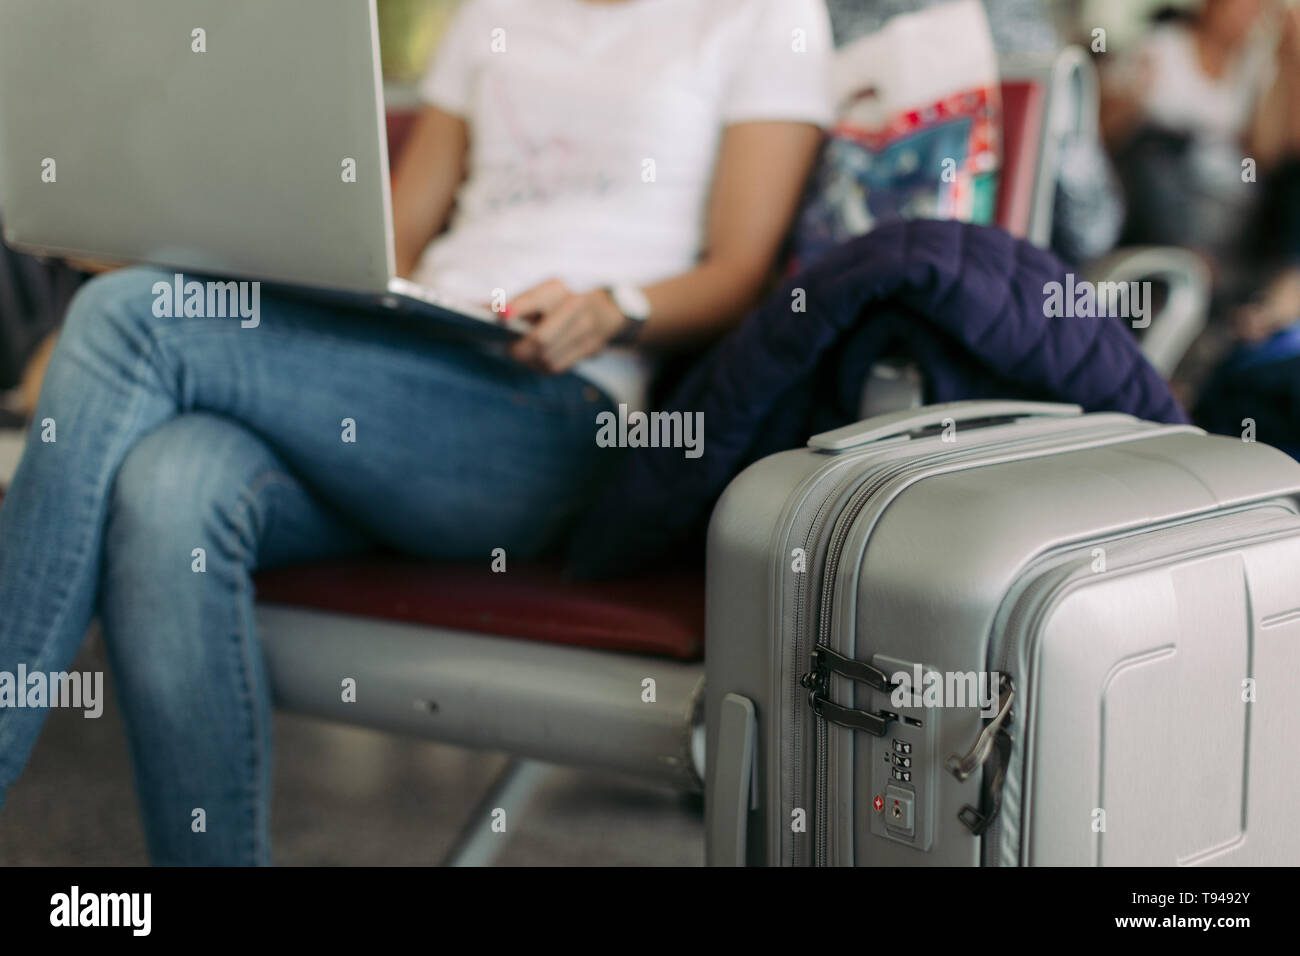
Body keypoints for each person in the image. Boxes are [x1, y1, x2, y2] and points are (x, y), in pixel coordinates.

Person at [0, 0, 832, 864]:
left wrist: (618, 308)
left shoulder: (764, 16)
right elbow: (388, 240)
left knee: (128, 314)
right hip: (407, 363)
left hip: (553, 402)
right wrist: (227, 243)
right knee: (168, 486)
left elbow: (741, 271)